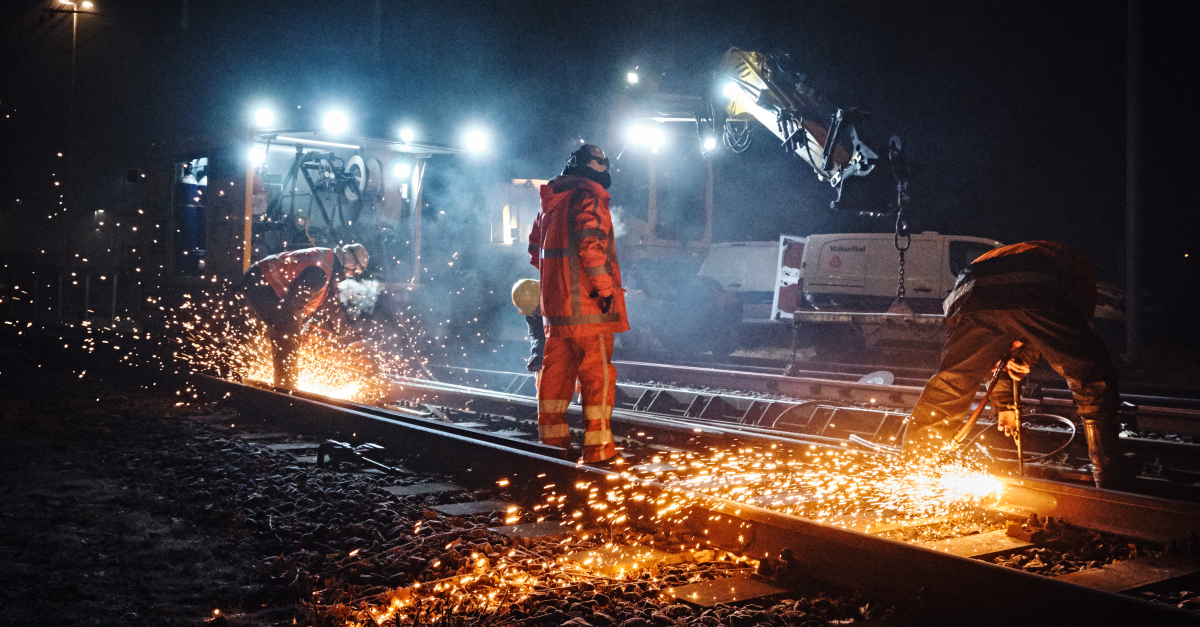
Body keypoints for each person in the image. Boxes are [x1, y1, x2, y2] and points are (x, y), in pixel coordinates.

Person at [905, 241, 1139, 489]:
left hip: (971, 297)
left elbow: (1000, 345)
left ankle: (918, 465)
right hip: (1034, 290)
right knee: (1090, 374)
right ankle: (1107, 468)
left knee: (953, 382)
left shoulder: (1003, 257)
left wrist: (1006, 403)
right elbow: (1072, 318)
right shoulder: (1073, 259)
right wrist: (1031, 352)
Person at [528, 144, 629, 466]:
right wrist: (605, 290)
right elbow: (590, 246)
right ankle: (599, 449)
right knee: (596, 375)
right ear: (593, 166)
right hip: (588, 308)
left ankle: (553, 445)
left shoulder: (550, 204)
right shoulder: (591, 196)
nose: (607, 168)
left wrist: (556, 284)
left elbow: (534, 251)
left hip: (555, 312)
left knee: (555, 374)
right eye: (603, 162)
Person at [236, 244, 368, 388]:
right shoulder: (319, 272)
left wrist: (346, 337)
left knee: (288, 332)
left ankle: (283, 381)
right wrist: (296, 333)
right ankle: (285, 388)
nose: (352, 275)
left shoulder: (328, 266)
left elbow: (327, 307)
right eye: (354, 270)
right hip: (260, 283)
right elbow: (292, 306)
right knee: (287, 336)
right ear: (348, 261)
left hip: (262, 283)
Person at [511, 278, 546, 388]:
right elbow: (536, 334)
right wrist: (537, 353)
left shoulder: (560, 302)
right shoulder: (530, 308)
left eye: (536, 310)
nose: (534, 314)